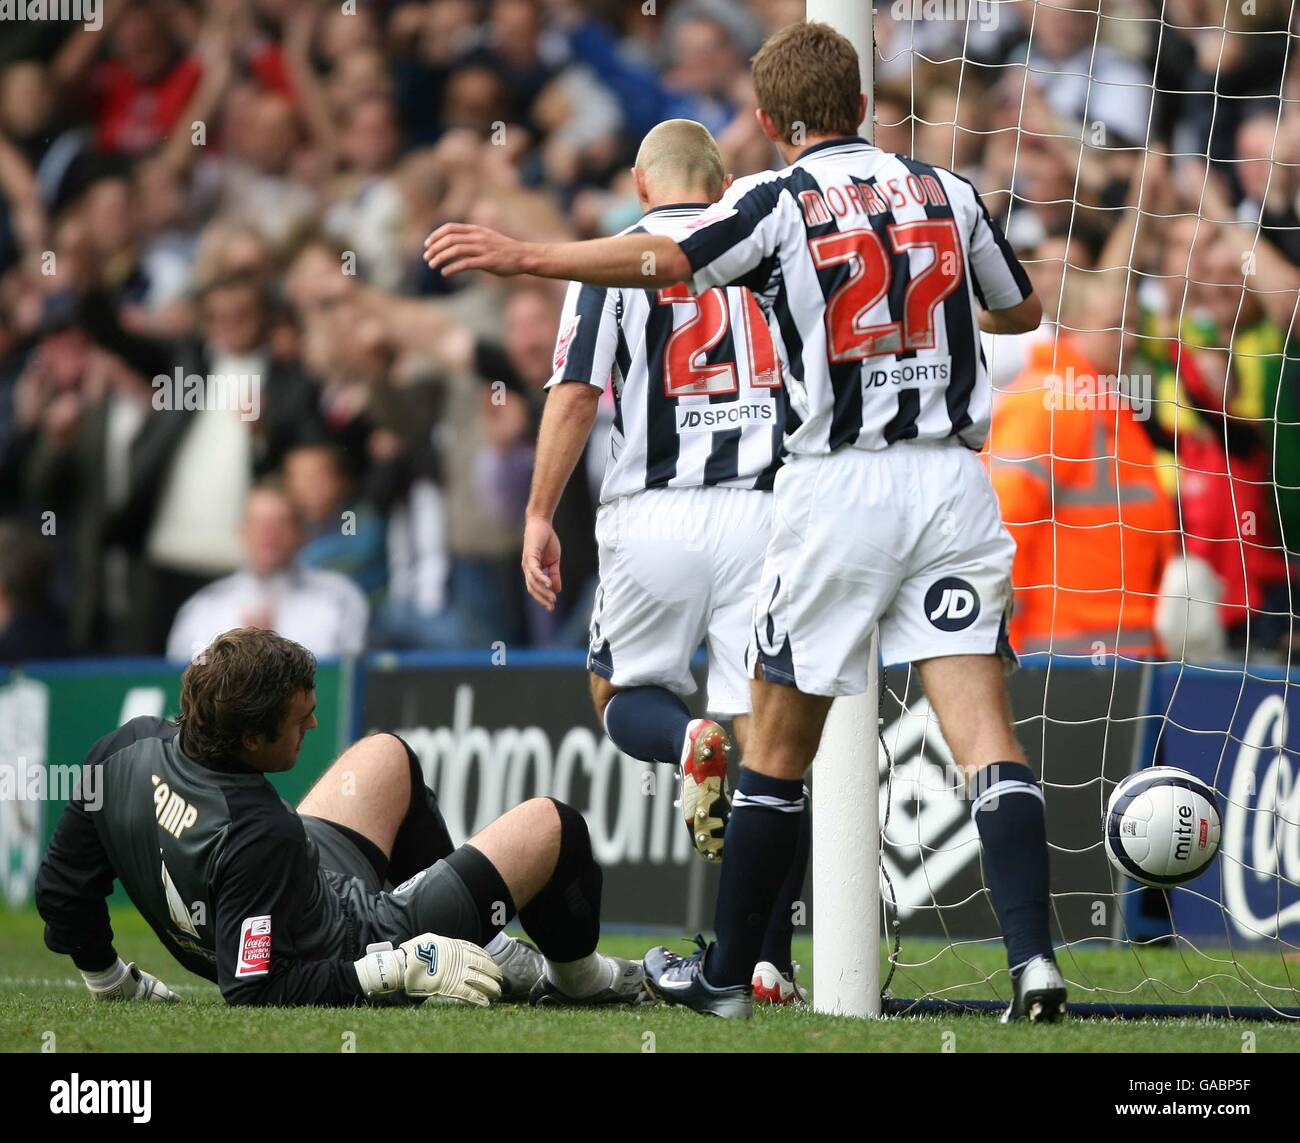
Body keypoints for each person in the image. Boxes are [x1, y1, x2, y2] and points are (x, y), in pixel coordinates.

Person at [424, 21, 1058, 1023]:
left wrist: (523, 255)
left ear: (766, 122)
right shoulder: (948, 191)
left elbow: (662, 267)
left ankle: (730, 974)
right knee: (986, 733)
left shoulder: (771, 201)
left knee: (772, 742)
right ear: (861, 101)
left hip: (830, 490)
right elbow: (1017, 311)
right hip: (948, 483)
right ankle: (1034, 967)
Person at [523, 117, 809, 1004]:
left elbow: (576, 394)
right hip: (768, 513)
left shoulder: (615, 259)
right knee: (771, 746)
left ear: (643, 188)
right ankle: (765, 963)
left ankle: (684, 738)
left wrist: (539, 511)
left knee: (617, 695)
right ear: (722, 184)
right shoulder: (766, 242)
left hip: (652, 513)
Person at [35, 627, 646, 1008]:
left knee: (385, 755)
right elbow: (255, 990)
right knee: (555, 824)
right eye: (300, 721)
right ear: (251, 738)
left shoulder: (124, 748)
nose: (314, 727)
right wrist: (398, 967)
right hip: (357, 938)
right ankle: (580, 981)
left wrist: (109, 980)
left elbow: (61, 891)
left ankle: (483, 943)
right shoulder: (257, 833)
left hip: (292, 884)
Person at [165, 481, 368, 662]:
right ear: (241, 533)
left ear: (301, 533)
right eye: (258, 523)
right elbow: (179, 684)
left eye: (280, 523)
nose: (268, 534)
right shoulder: (204, 607)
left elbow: (347, 682)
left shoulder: (339, 598)